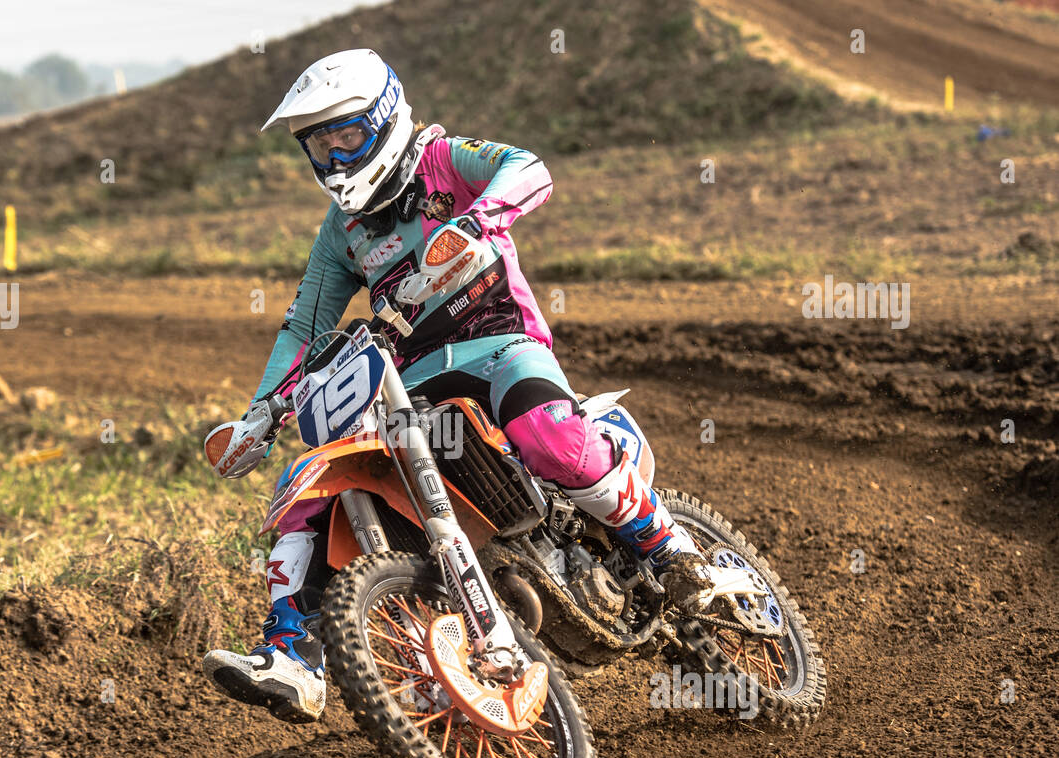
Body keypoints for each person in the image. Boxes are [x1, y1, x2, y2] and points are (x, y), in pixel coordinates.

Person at [203, 49, 705, 723]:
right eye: (318, 143)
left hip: (501, 346)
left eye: (345, 134)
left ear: (382, 118)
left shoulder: (441, 159)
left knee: (550, 441)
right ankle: (296, 655)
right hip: (411, 384)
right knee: (314, 489)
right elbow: (303, 327)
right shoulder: (342, 231)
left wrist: (479, 219)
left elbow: (527, 168)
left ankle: (670, 545)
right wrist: (260, 415)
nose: (332, 155)